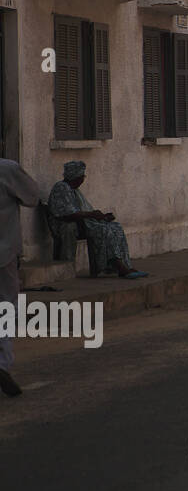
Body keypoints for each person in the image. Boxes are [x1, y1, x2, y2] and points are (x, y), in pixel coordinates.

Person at [48, 161, 147, 279]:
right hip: (69, 224)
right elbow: (67, 214)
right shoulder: (61, 188)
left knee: (116, 227)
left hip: (82, 222)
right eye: (81, 177)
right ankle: (118, 266)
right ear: (75, 177)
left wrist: (102, 217)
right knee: (104, 230)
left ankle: (126, 265)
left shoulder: (74, 190)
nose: (82, 180)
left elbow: (82, 210)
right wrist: (93, 215)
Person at [0, 159, 41, 397]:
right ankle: (2, 363)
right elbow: (32, 197)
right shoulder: (7, 169)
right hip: (4, 253)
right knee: (6, 306)